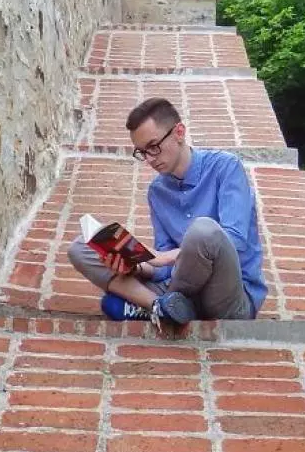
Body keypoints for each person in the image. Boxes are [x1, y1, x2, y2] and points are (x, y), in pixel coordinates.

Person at [67, 97, 267, 331]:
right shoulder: (157, 192)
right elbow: (161, 270)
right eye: (142, 152)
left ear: (179, 132)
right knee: (81, 249)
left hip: (228, 298)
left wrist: (165, 256)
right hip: (180, 288)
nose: (150, 159)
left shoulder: (226, 167)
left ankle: (160, 307)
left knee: (204, 231)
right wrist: (134, 266)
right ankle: (163, 307)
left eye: (154, 146)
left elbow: (235, 240)